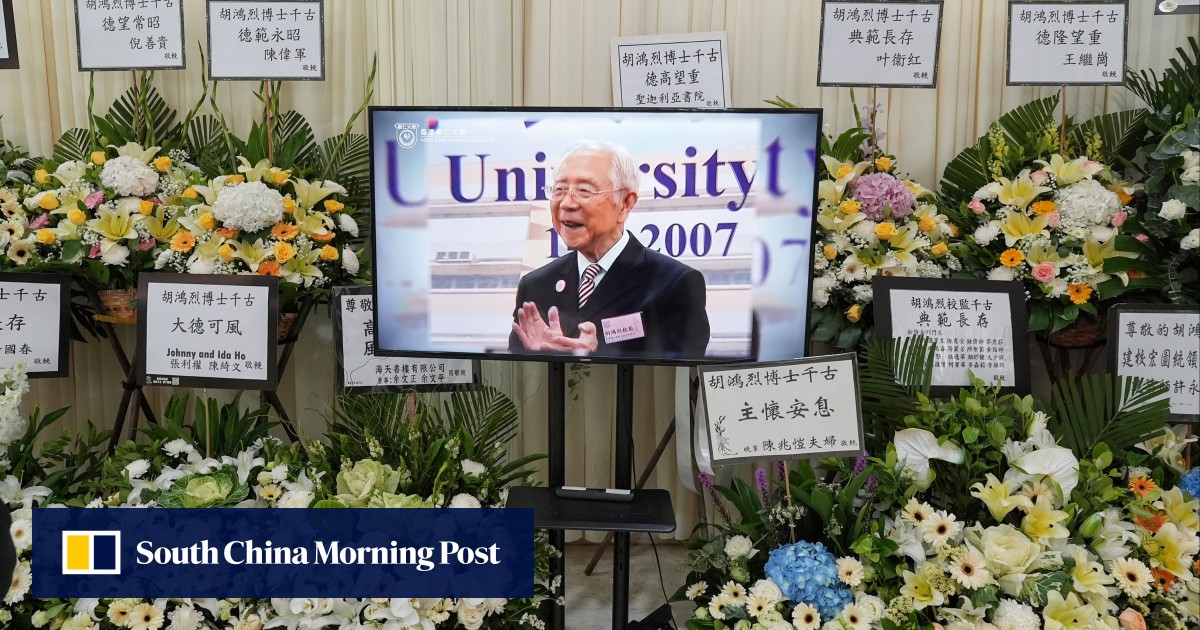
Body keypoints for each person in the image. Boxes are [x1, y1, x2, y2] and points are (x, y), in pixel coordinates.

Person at [509, 141, 710, 359]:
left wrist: (595, 356)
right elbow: (515, 378)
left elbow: (678, 376)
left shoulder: (675, 283)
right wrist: (536, 360)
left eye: (584, 191)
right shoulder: (536, 285)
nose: (567, 203)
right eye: (559, 190)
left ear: (625, 203)